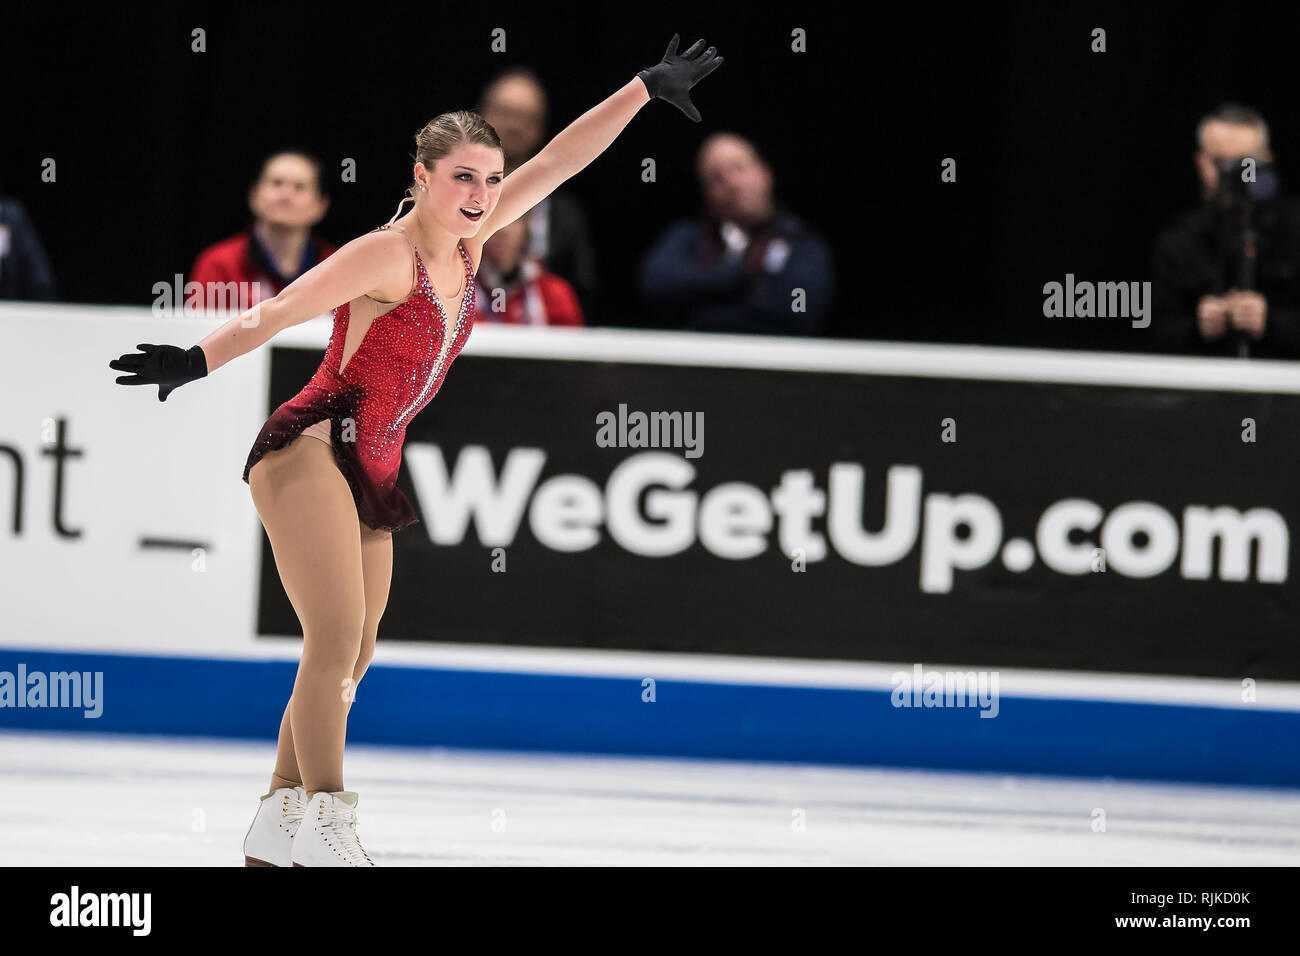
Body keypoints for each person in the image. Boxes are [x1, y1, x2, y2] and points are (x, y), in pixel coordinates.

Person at [108, 34, 723, 867]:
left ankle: (275, 820)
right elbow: (276, 312)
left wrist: (642, 91)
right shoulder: (384, 253)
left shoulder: (471, 243)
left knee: (353, 652)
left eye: (490, 179)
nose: (481, 193)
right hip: (310, 448)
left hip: (374, 468)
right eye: (462, 176)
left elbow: (561, 160)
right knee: (334, 639)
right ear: (422, 178)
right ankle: (329, 820)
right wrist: (194, 360)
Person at [639, 131, 834, 335]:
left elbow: (796, 314)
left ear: (765, 173)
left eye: (739, 168)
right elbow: (658, 289)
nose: (731, 183)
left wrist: (701, 310)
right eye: (716, 178)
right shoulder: (685, 238)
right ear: (705, 192)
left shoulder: (801, 243)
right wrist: (744, 277)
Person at [1150, 102, 1300, 358]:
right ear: (1200, 163)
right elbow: (1147, 332)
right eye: (1220, 163)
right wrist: (1197, 327)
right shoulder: (1179, 241)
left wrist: (1273, 324)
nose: (1231, 177)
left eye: (1245, 164)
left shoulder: (1295, 230)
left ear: (1266, 162)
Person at [478, 66, 601, 321]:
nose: (514, 125)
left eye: (527, 118)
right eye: (506, 113)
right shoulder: (448, 194)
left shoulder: (566, 216)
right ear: (480, 114)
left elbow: (582, 293)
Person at [187, 152, 337, 311]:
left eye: (299, 187)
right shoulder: (218, 263)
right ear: (254, 195)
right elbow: (199, 332)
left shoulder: (338, 267)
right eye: (276, 183)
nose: (286, 195)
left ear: (321, 205)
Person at [471, 212, 585, 325]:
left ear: (526, 228)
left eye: (513, 219)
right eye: (493, 218)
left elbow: (570, 341)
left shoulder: (553, 293)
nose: (503, 229)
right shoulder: (460, 288)